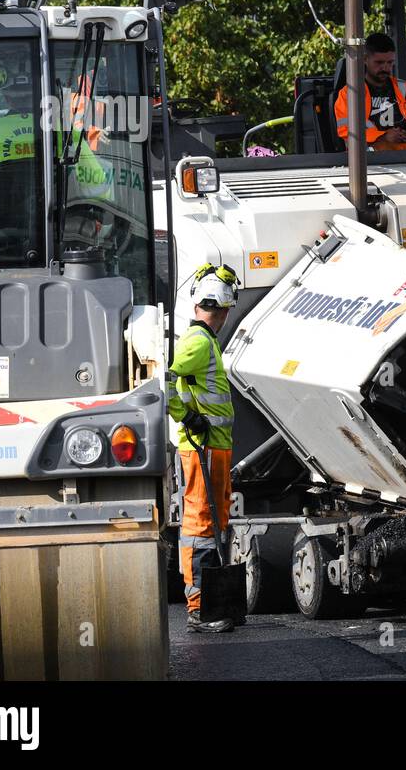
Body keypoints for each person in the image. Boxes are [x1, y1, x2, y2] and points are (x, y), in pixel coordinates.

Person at [0, 66, 109, 242]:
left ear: (6, 97)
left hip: (0, 250)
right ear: (44, 95)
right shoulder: (67, 133)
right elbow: (99, 188)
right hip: (61, 246)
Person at [167, 263, 241, 634]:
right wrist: (186, 417)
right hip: (202, 447)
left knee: (214, 522)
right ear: (225, 310)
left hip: (213, 448)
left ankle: (214, 602)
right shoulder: (197, 342)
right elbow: (164, 380)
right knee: (199, 524)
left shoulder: (203, 341)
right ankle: (199, 608)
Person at [334, 32, 406, 151]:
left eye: (389, 62)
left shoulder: (405, 88)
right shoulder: (350, 93)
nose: (385, 68)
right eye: (379, 63)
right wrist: (383, 136)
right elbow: (347, 132)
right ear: (365, 59)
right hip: (375, 156)